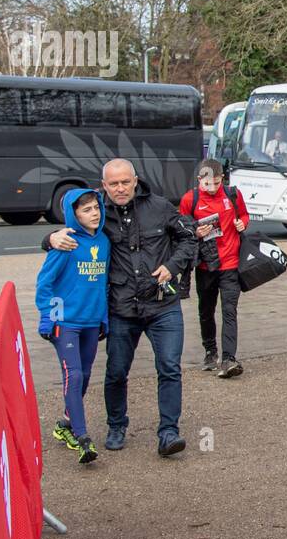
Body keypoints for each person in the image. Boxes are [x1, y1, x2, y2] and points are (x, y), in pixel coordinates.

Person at [46, 158, 197, 456]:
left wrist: (172, 265)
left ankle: (168, 432)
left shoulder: (161, 207)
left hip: (162, 305)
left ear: (136, 180)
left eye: (125, 182)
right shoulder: (98, 213)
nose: (120, 188)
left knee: (169, 368)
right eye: (113, 184)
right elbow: (73, 231)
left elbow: (188, 238)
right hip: (121, 308)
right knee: (116, 371)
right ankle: (117, 425)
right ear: (104, 186)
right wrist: (49, 238)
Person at [35, 188, 108, 465]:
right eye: (86, 209)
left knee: (86, 375)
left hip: (91, 322)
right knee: (74, 376)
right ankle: (82, 438)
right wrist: (48, 317)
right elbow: (45, 283)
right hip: (65, 323)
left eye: (96, 208)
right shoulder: (65, 243)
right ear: (73, 215)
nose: (94, 213)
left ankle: (65, 423)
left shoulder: (104, 242)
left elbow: (101, 285)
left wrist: (104, 319)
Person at [179, 158, 250, 378]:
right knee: (206, 310)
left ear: (222, 179)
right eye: (207, 184)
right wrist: (195, 232)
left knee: (229, 311)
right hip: (205, 265)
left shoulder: (233, 195)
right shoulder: (190, 199)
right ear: (199, 180)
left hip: (231, 264)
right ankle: (210, 351)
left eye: (217, 183)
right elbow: (181, 229)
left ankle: (229, 359)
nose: (212, 188)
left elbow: (245, 216)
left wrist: (242, 223)